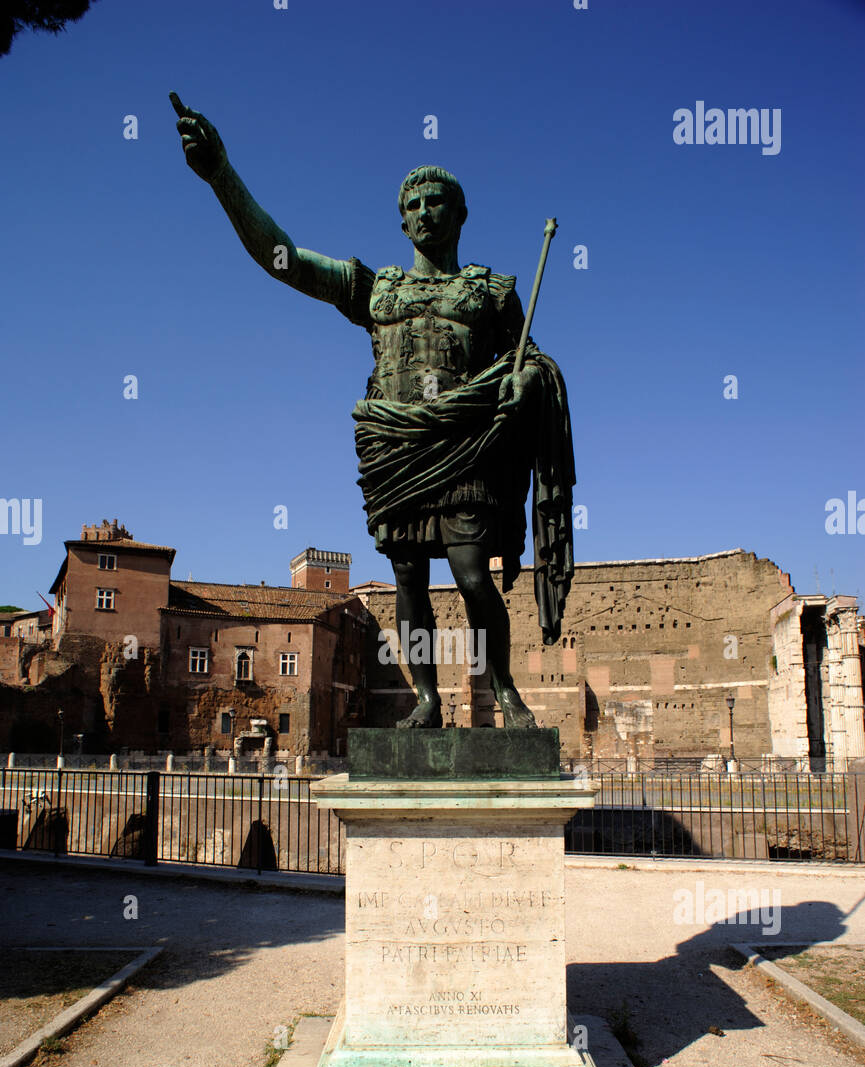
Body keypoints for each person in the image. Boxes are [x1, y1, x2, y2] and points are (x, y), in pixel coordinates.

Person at [171, 93, 575, 729]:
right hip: (397, 451)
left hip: (465, 449)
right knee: (409, 582)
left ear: (461, 212)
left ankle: (502, 690)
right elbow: (284, 259)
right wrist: (221, 174)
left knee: (473, 576)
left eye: (435, 200)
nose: (422, 211)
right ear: (402, 222)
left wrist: (527, 382)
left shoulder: (492, 292)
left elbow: (532, 361)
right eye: (411, 205)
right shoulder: (377, 288)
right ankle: (427, 700)